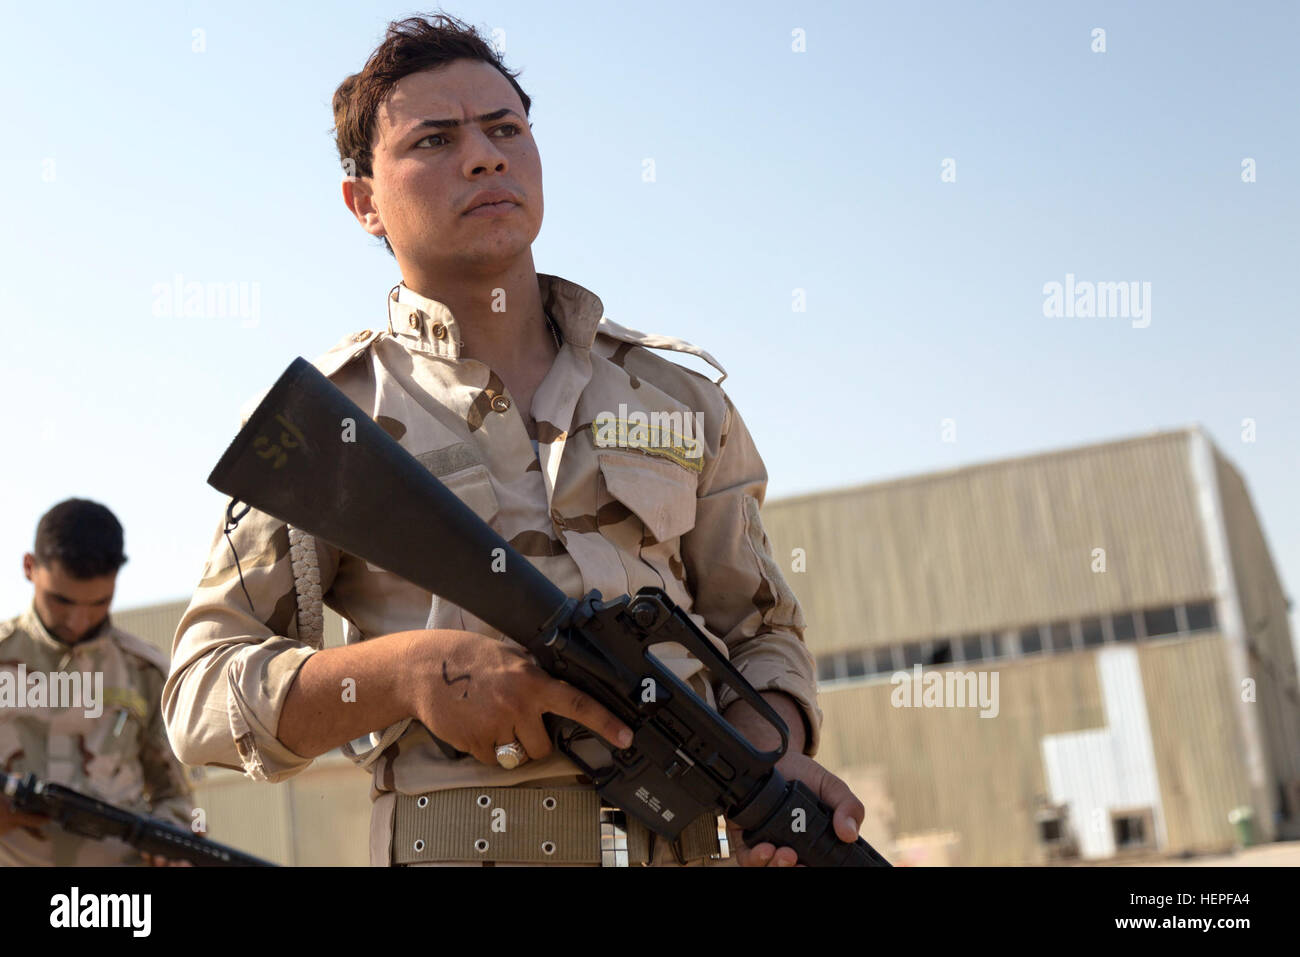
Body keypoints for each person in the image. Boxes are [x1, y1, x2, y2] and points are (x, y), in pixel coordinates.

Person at [164, 12, 864, 867]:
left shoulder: (678, 396)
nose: (486, 156)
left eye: (506, 130)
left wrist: (768, 760)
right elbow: (200, 694)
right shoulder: (322, 427)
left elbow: (761, 632)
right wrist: (412, 673)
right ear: (363, 202)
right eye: (435, 139)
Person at [0, 499, 196, 866]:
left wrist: (170, 840)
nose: (78, 620)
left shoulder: (146, 672)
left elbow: (175, 795)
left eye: (99, 602)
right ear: (29, 567)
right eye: (60, 600)